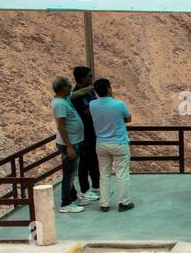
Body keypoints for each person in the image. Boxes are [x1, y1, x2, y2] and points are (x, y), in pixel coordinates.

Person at [89, 78, 134, 212]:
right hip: (119, 143)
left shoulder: (92, 104)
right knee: (122, 174)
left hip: (101, 143)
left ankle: (104, 204)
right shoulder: (119, 104)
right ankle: (124, 203)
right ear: (109, 88)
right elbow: (128, 118)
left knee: (104, 174)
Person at [51, 77, 86, 213]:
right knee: (70, 174)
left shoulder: (64, 99)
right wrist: (69, 146)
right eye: (69, 86)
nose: (71, 87)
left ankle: (72, 196)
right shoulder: (60, 104)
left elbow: (76, 94)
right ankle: (66, 203)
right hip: (70, 144)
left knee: (69, 172)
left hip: (73, 142)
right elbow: (61, 126)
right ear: (62, 89)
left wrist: (92, 87)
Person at [70, 65, 99, 203]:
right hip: (84, 133)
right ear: (82, 78)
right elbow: (89, 112)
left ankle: (96, 186)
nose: (91, 79)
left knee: (93, 160)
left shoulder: (89, 92)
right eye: (90, 76)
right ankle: (85, 189)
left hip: (92, 132)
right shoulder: (77, 95)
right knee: (84, 162)